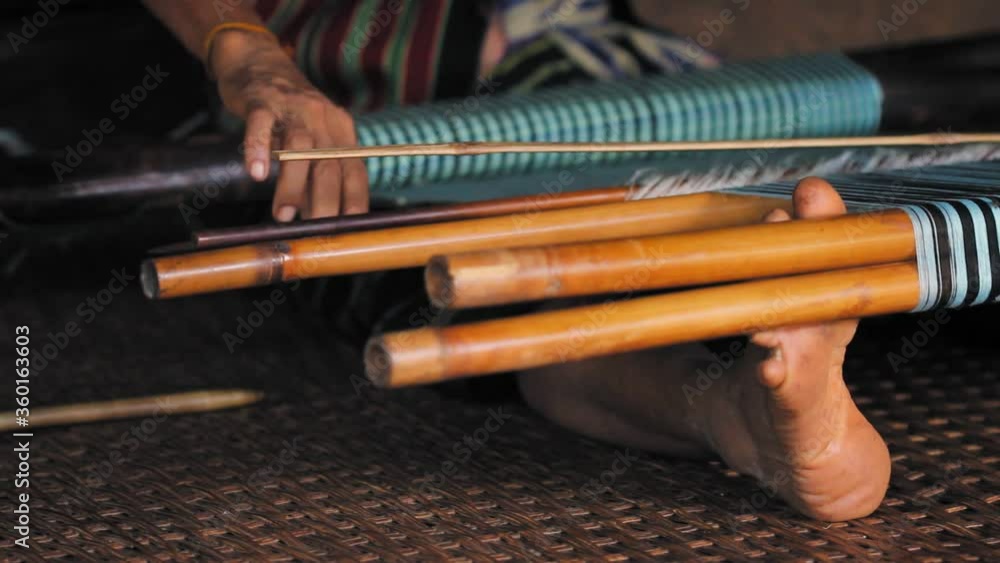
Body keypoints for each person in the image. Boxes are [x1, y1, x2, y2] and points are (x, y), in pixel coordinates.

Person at [143, 0, 890, 521]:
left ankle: (740, 400)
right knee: (471, 284)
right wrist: (247, 53)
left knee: (689, 180)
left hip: (579, 65)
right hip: (338, 112)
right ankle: (740, 410)